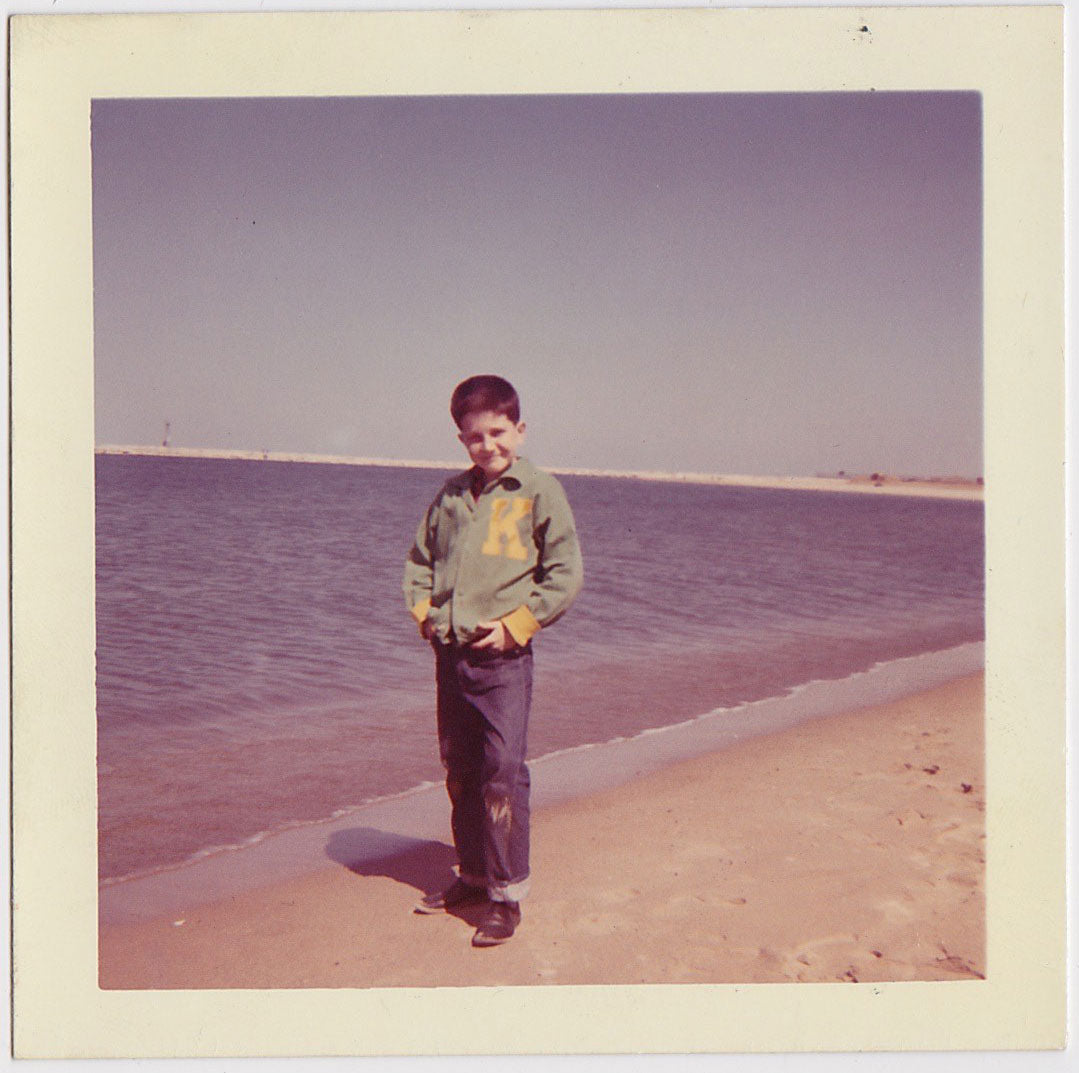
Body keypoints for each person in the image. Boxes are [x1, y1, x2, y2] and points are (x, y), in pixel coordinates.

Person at [403, 374, 583, 947]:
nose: (489, 445)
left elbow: (565, 574)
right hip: (450, 658)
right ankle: (474, 875)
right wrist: (425, 614)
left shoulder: (540, 491)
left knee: (502, 772)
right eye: (475, 436)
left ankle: (506, 896)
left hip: (504, 663)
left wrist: (516, 626)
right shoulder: (451, 497)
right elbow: (419, 562)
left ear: (520, 430)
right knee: (461, 769)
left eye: (499, 432)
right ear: (461, 440)